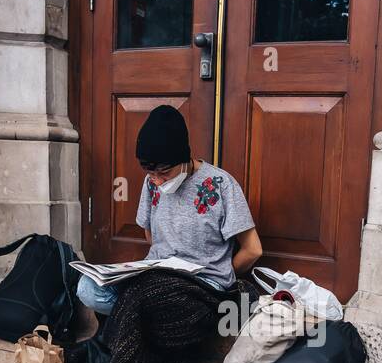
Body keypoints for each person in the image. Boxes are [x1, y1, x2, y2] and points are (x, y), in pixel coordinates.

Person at [76, 105, 262, 315]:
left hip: (201, 284)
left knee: (153, 301)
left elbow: (253, 249)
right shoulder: (152, 182)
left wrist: (222, 274)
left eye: (164, 172)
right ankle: (146, 320)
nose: (156, 180)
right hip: (156, 274)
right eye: (150, 173)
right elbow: (151, 235)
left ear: (183, 159)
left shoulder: (220, 184)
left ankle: (141, 320)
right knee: (88, 288)